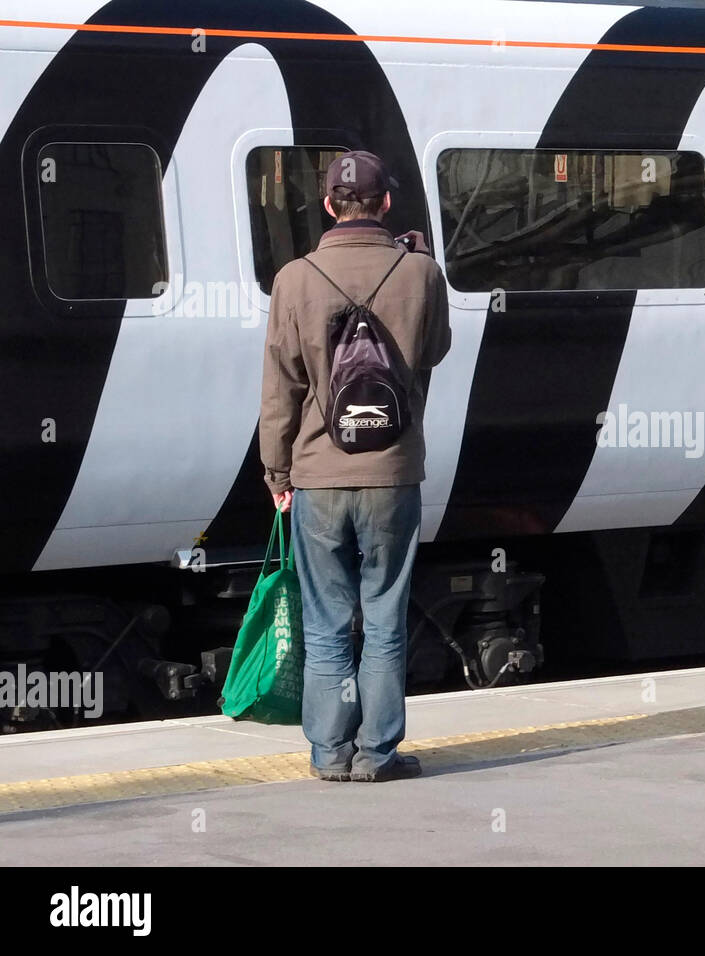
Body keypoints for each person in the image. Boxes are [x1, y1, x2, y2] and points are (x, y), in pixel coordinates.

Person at [260, 150, 450, 782]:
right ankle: (377, 753)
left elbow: (280, 387)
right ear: (386, 202)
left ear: (327, 205)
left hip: (317, 474)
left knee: (327, 621)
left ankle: (329, 753)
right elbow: (436, 351)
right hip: (393, 474)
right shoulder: (420, 271)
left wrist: (277, 473)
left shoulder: (294, 278)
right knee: (386, 615)